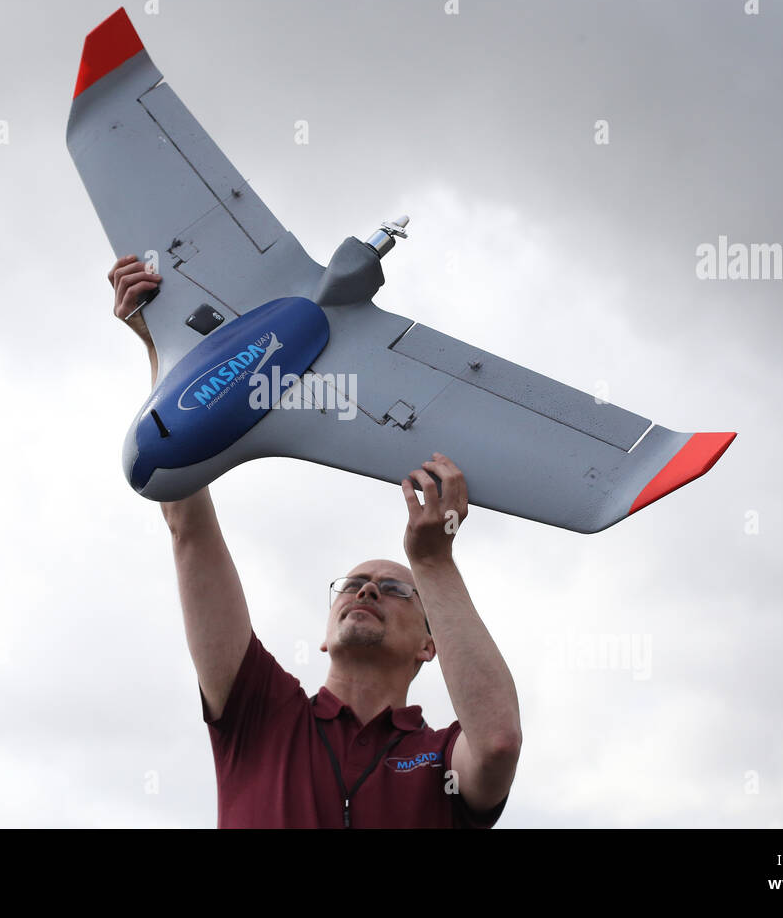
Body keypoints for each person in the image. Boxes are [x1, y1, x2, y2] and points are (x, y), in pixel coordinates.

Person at [107, 254, 522, 828]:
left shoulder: (443, 758)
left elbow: (498, 742)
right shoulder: (258, 711)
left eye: (395, 591)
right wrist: (169, 352)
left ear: (431, 646)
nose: (367, 592)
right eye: (353, 585)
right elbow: (187, 527)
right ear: (324, 637)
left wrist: (431, 562)